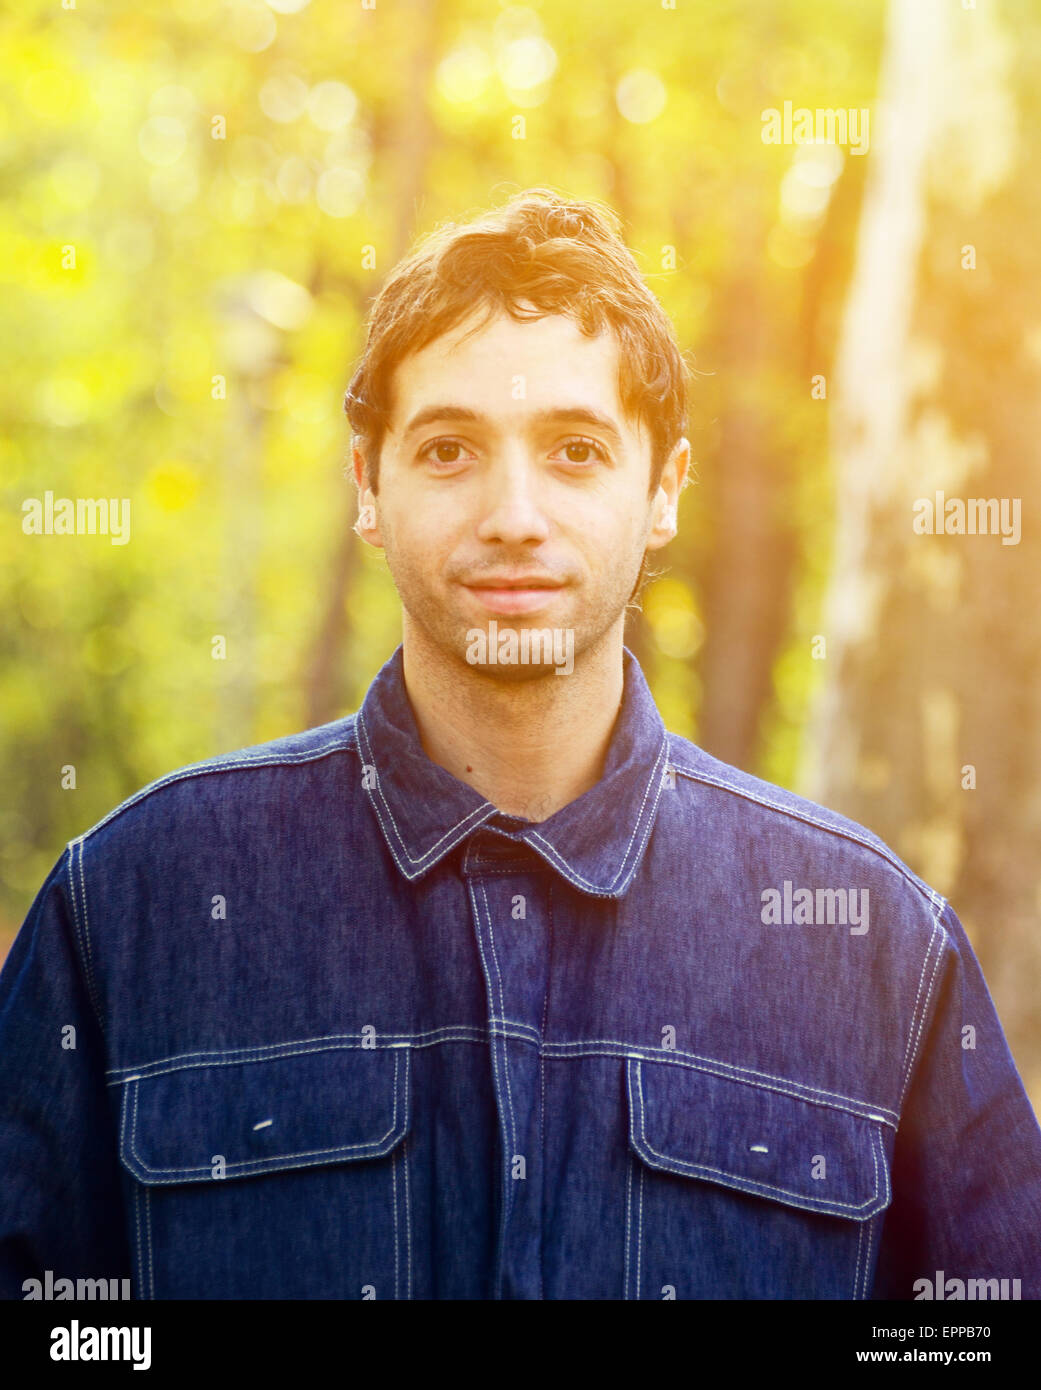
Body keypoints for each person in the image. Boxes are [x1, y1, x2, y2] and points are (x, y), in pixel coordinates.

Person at [2, 188, 1039, 1301]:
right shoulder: (130, 904)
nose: (514, 514)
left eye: (576, 450)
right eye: (449, 449)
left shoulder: (874, 941)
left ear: (665, 490)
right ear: (368, 484)